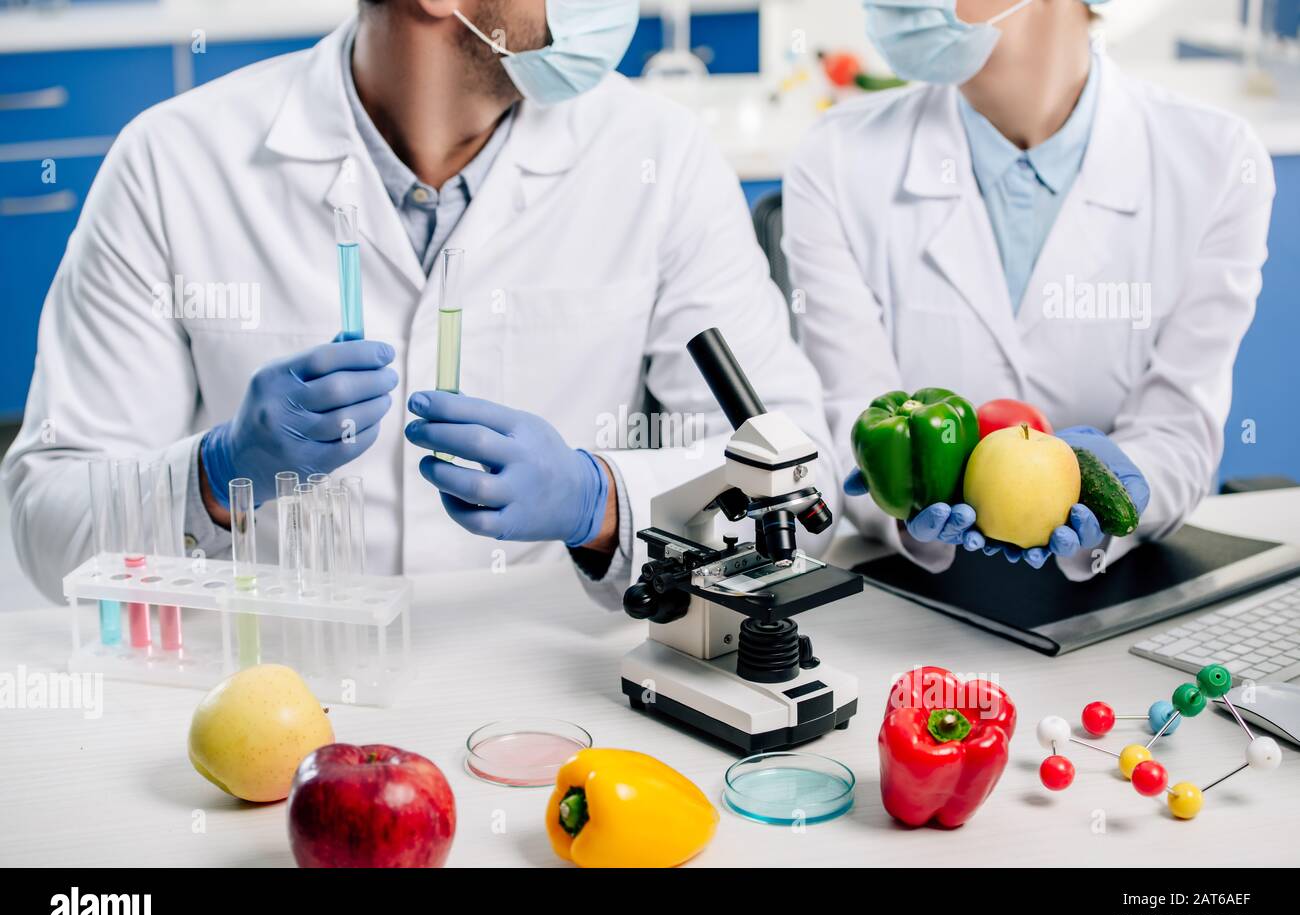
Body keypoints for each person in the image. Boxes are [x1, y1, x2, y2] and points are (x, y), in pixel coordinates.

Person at [2, 0, 838, 606]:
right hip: (272, 695)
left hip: (550, 706)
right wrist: (216, 477)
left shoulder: (662, 159)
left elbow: (804, 492)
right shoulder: (171, 162)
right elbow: (47, 531)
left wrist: (603, 500)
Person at [784, 0, 1274, 578]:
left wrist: (1118, 487)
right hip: (919, 599)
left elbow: (1180, 432)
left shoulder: (1215, 160)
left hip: (1116, 592)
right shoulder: (835, 158)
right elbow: (851, 420)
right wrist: (902, 502)